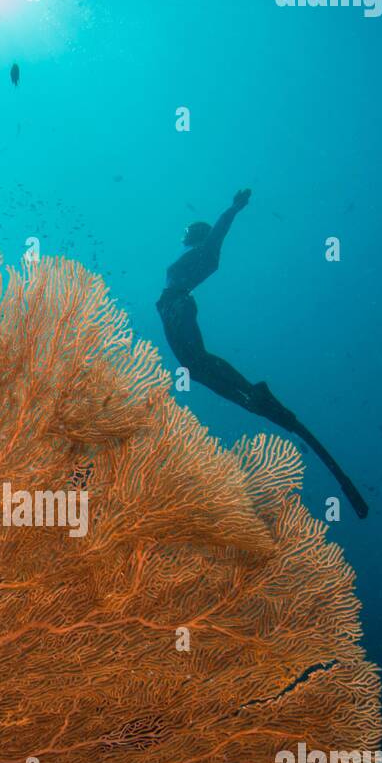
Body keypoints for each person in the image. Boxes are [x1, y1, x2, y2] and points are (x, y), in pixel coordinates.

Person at [156, 189, 368, 519]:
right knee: (196, 369)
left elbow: (219, 231)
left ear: (196, 235)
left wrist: (234, 208)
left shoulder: (207, 250)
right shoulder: (198, 256)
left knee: (199, 360)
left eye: (188, 234)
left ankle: (252, 392)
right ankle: (251, 398)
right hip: (172, 307)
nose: (183, 239)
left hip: (177, 305)